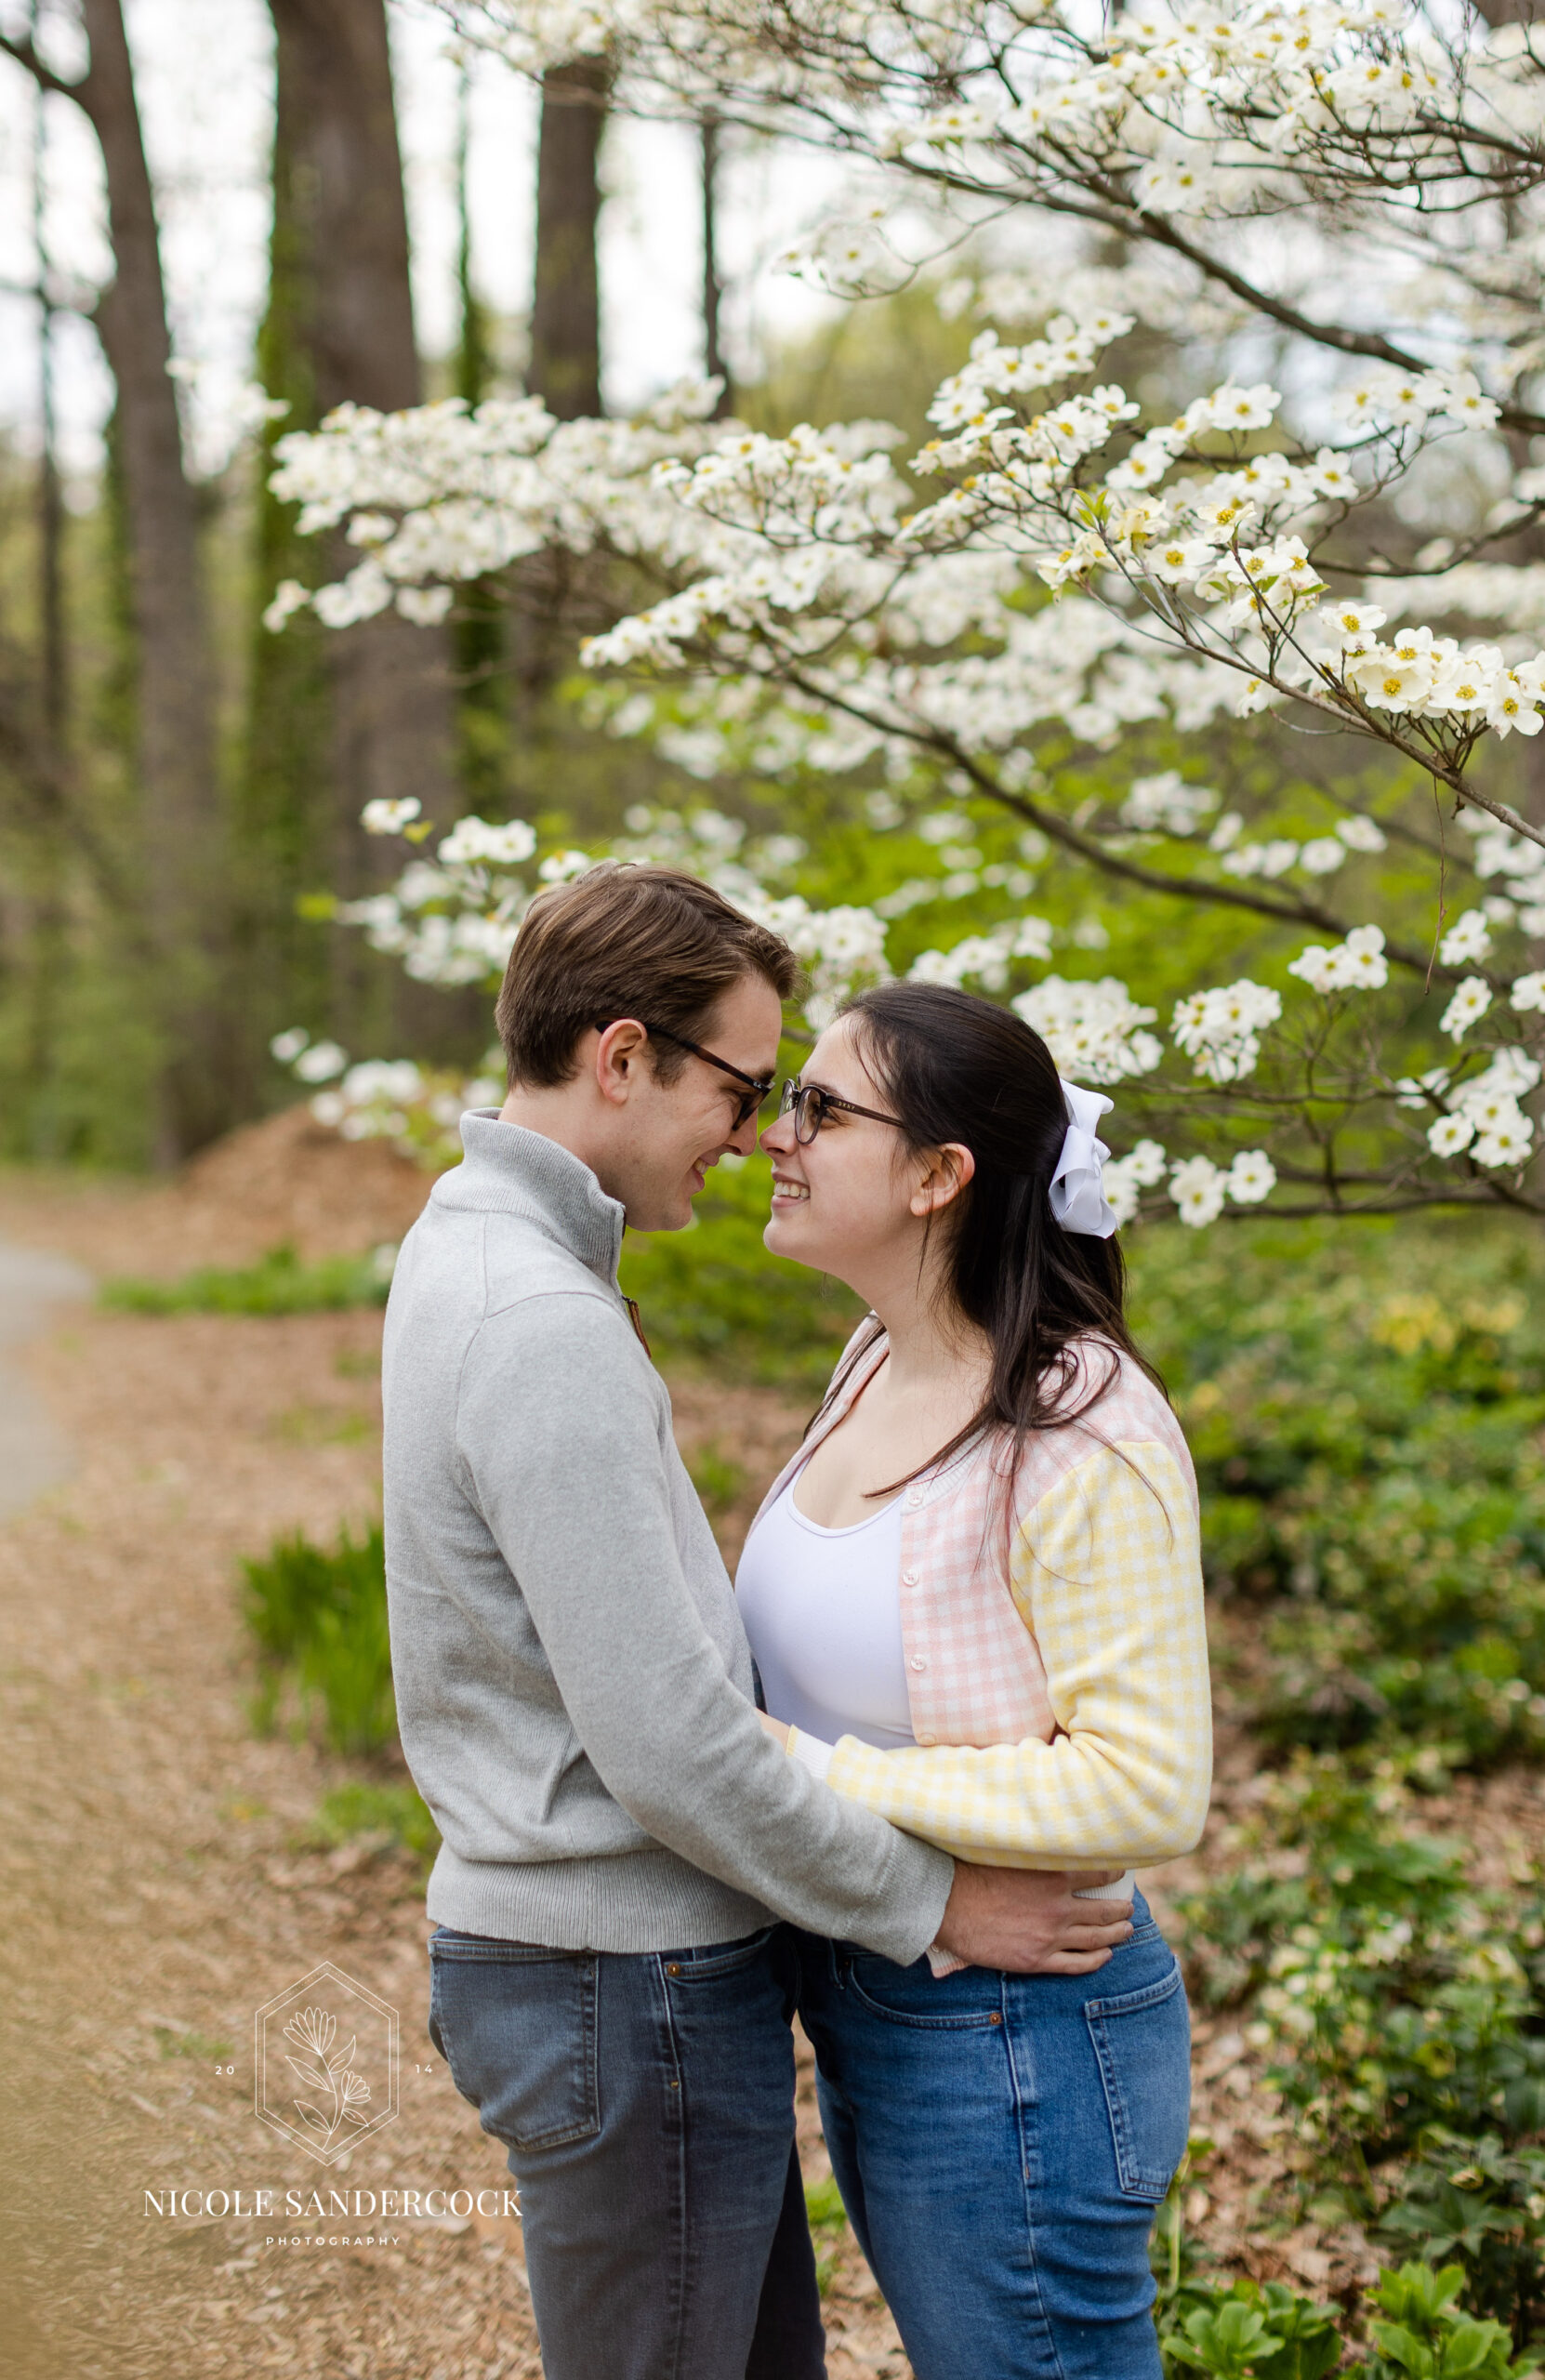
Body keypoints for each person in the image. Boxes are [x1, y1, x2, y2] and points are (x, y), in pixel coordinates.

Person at [380, 866, 1136, 2380]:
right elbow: (665, 1744)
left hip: (617, 1985)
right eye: (740, 1087)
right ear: (617, 1059)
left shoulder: (468, 1252)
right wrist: (930, 1906)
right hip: (620, 1984)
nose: (758, 1137)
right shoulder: (541, 1322)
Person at [736, 979, 1212, 2380]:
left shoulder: (1080, 1428)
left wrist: (811, 1778)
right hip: (891, 1987)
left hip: (1016, 2034)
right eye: (788, 1100)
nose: (778, 1134)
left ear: (941, 1175)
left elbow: (1146, 1783)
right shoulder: (872, 1357)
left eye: (822, 1110)